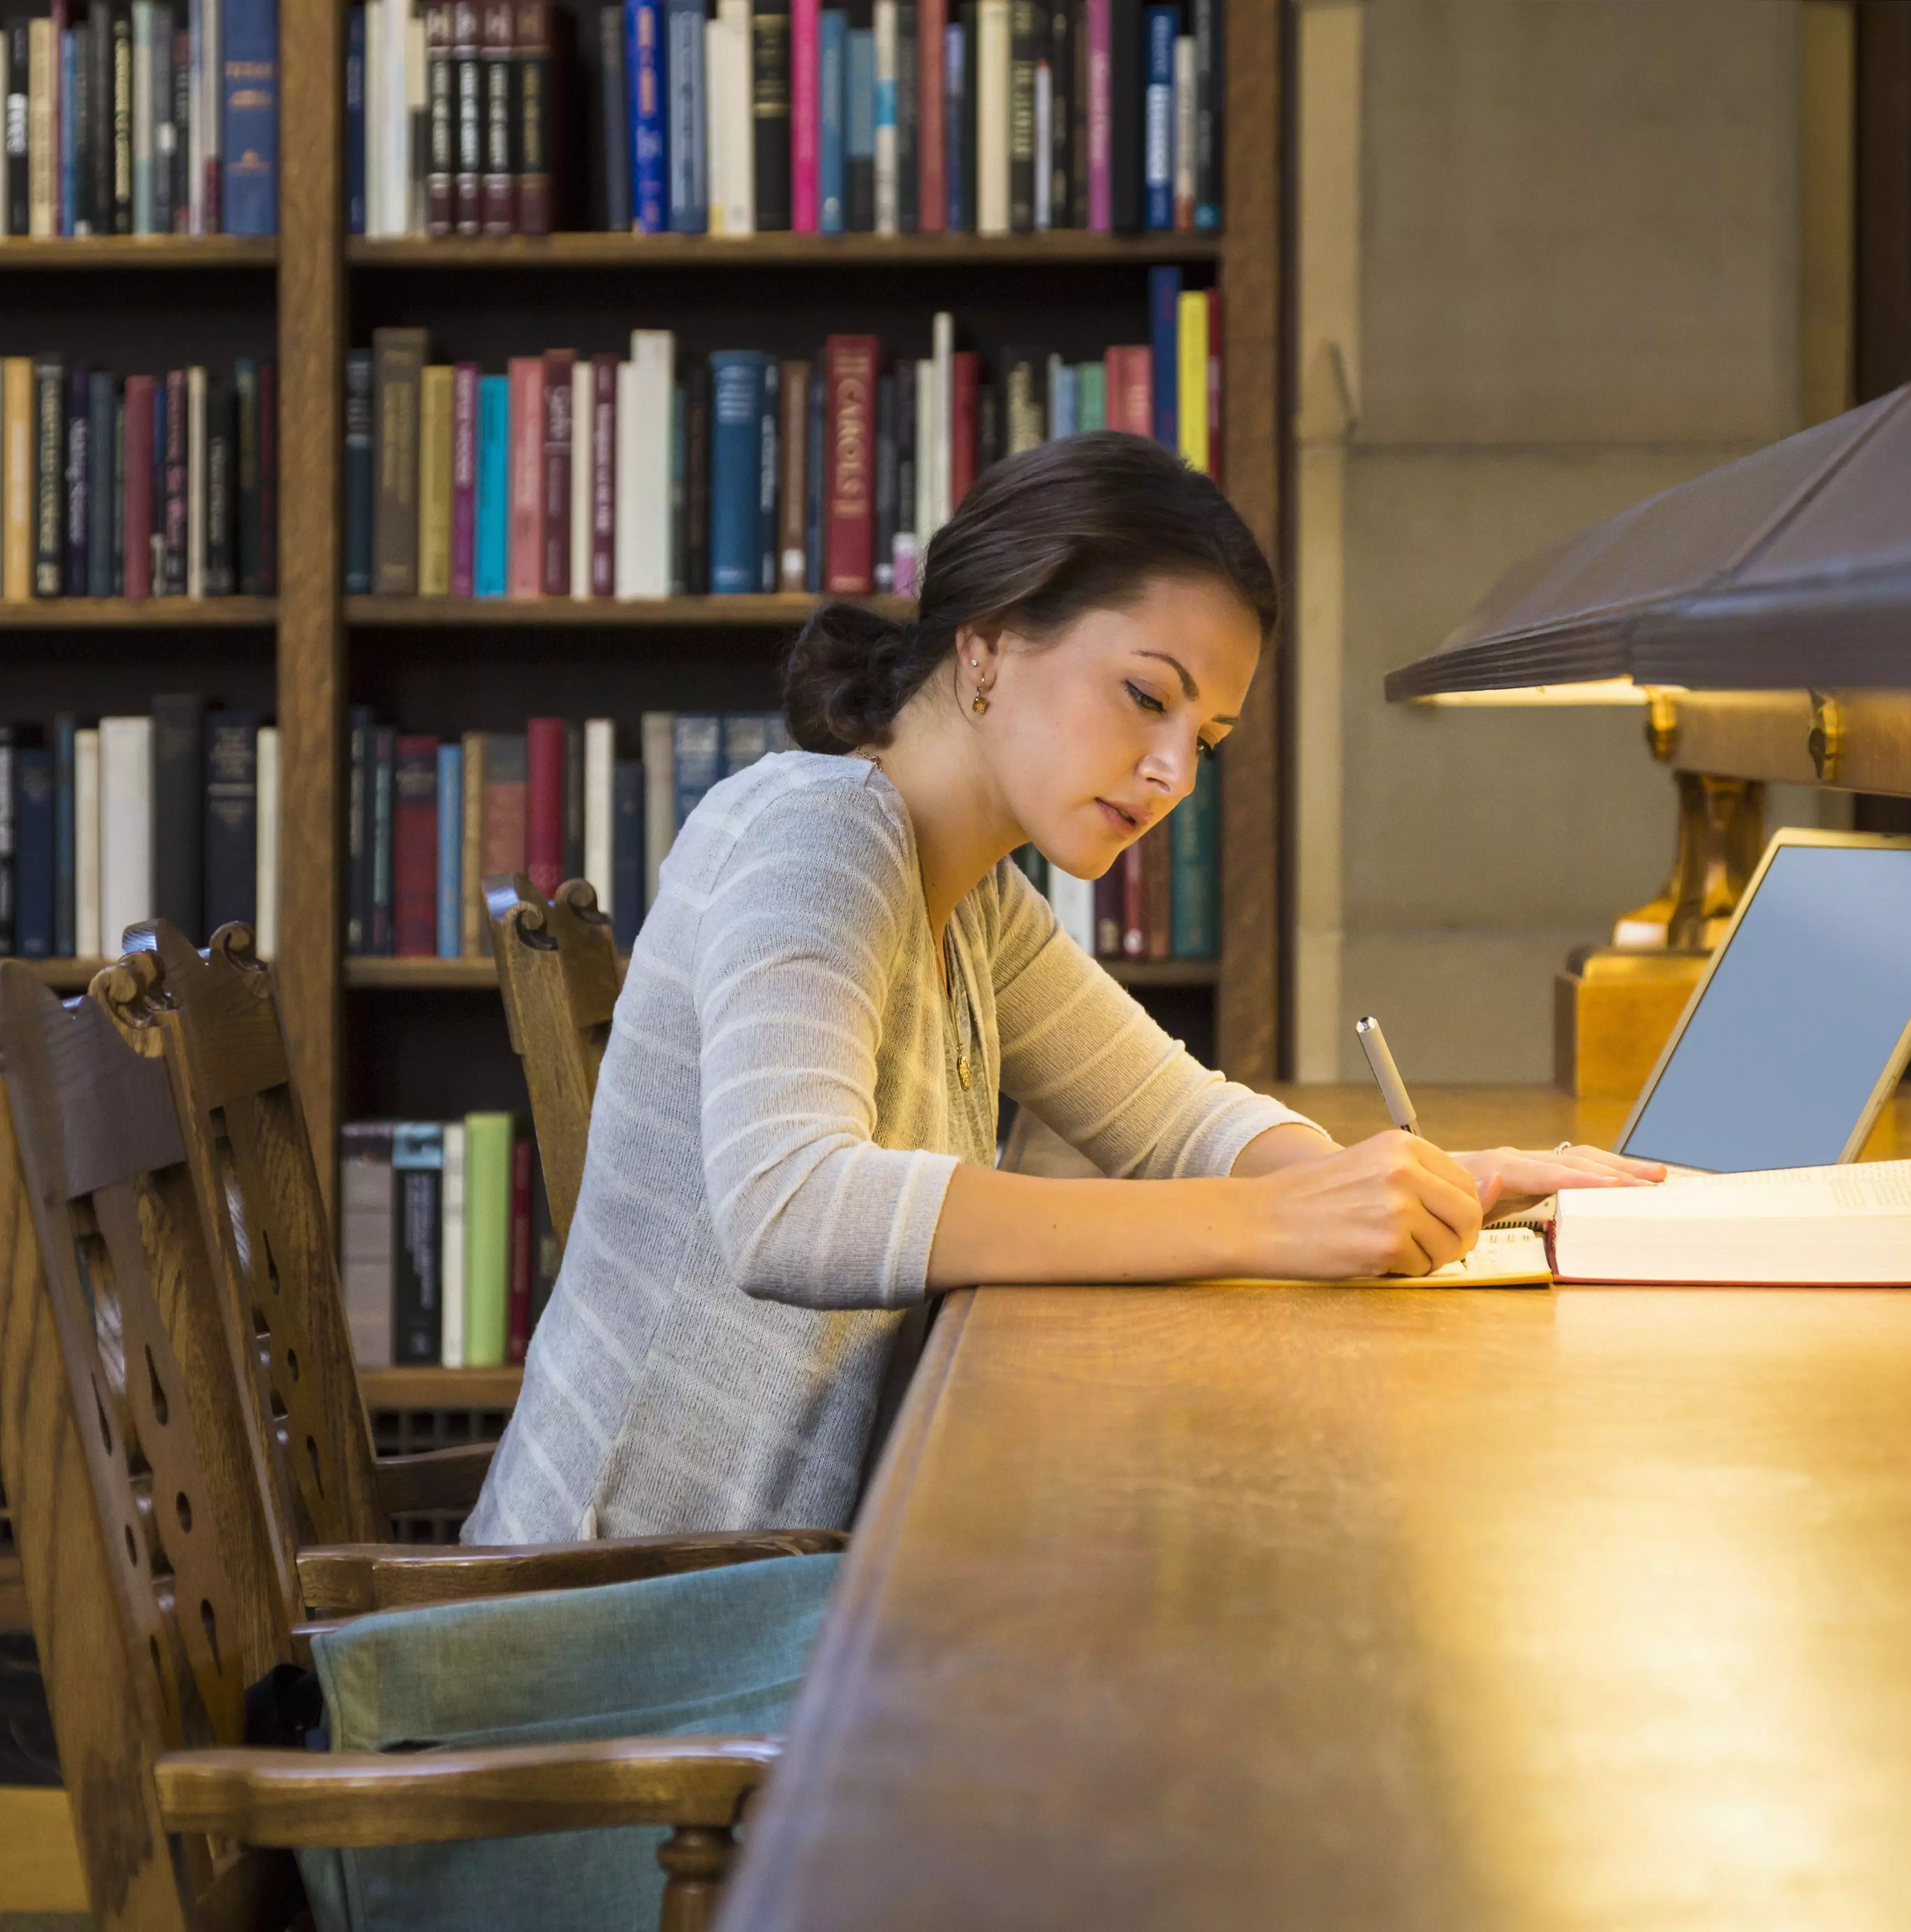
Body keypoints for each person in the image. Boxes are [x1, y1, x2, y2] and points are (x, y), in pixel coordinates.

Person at [463, 431, 1658, 1546]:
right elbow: (790, 1205)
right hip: (608, 1619)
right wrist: (1279, 1222)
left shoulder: (972, 898)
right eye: (1147, 695)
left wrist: (1423, 1190)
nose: (1172, 772)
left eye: (1211, 736)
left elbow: (1175, 1121)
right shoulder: (814, 831)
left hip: (787, 1576)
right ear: (983, 645)